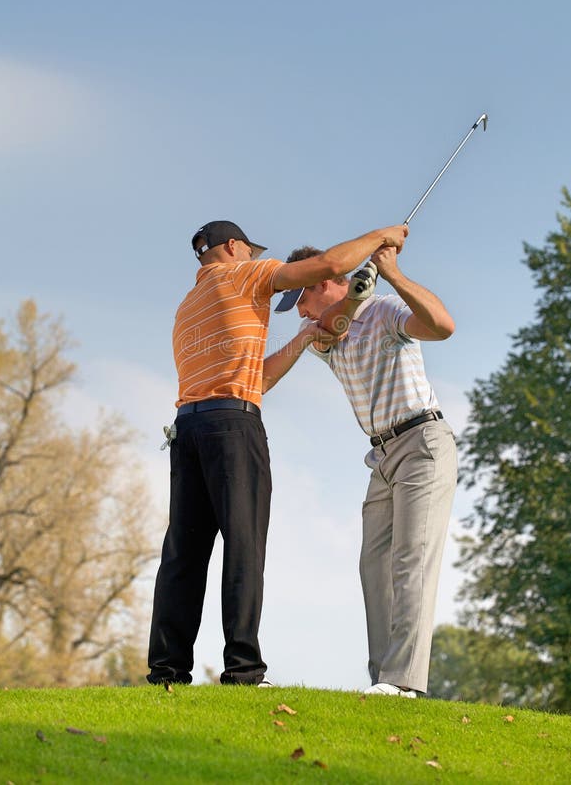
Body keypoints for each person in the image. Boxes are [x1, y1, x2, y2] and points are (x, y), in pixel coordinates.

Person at [147, 219, 408, 687]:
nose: (254, 258)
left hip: (188, 429)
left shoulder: (187, 305)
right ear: (232, 247)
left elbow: (258, 379)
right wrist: (380, 237)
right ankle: (243, 670)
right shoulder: (246, 275)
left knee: (183, 554)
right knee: (243, 547)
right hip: (232, 427)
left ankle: (167, 671)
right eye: (249, 250)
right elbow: (328, 265)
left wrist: (305, 337)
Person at [265, 241, 457, 697]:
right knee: (374, 566)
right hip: (382, 458)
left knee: (412, 558)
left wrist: (392, 275)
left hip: (422, 443)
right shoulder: (324, 335)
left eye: (301, 298)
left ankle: (404, 683)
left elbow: (443, 326)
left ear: (324, 282)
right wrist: (352, 296)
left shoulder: (387, 309)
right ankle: (383, 682)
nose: (298, 312)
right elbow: (332, 330)